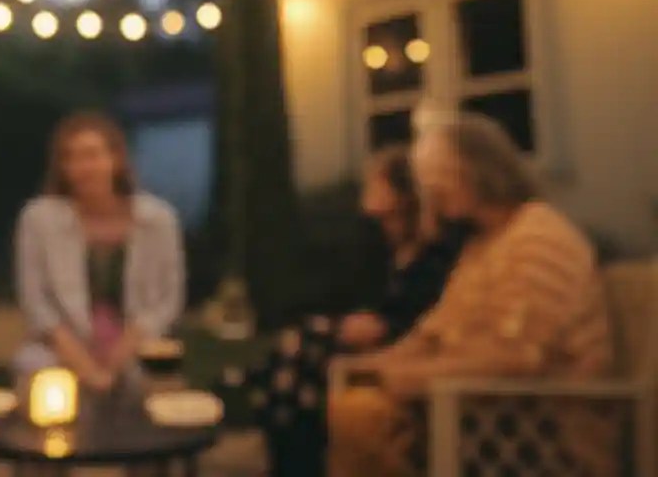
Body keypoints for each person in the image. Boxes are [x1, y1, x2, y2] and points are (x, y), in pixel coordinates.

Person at [328, 113, 614, 477]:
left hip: (542, 422)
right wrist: (371, 365)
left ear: (477, 171)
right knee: (353, 403)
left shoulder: (540, 237)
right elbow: (432, 333)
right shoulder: (481, 245)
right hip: (476, 411)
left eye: (440, 180)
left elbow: (515, 358)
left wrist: (400, 377)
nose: (431, 192)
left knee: (362, 413)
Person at [244, 144, 462, 476]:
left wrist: (380, 326)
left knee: (301, 353)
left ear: (402, 194)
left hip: (403, 344)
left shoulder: (433, 253)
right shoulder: (377, 241)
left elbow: (419, 314)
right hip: (370, 331)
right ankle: (289, 450)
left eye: (377, 182)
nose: (367, 190)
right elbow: (352, 295)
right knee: (294, 353)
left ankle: (293, 458)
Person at [14, 112, 186, 391]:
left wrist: (118, 358)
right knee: (45, 385)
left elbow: (167, 301)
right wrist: (84, 366)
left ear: (115, 160)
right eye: (72, 158)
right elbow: (37, 304)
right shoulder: (38, 220)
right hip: (61, 349)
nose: (84, 167)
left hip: (136, 347)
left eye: (92, 155)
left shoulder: (158, 220)